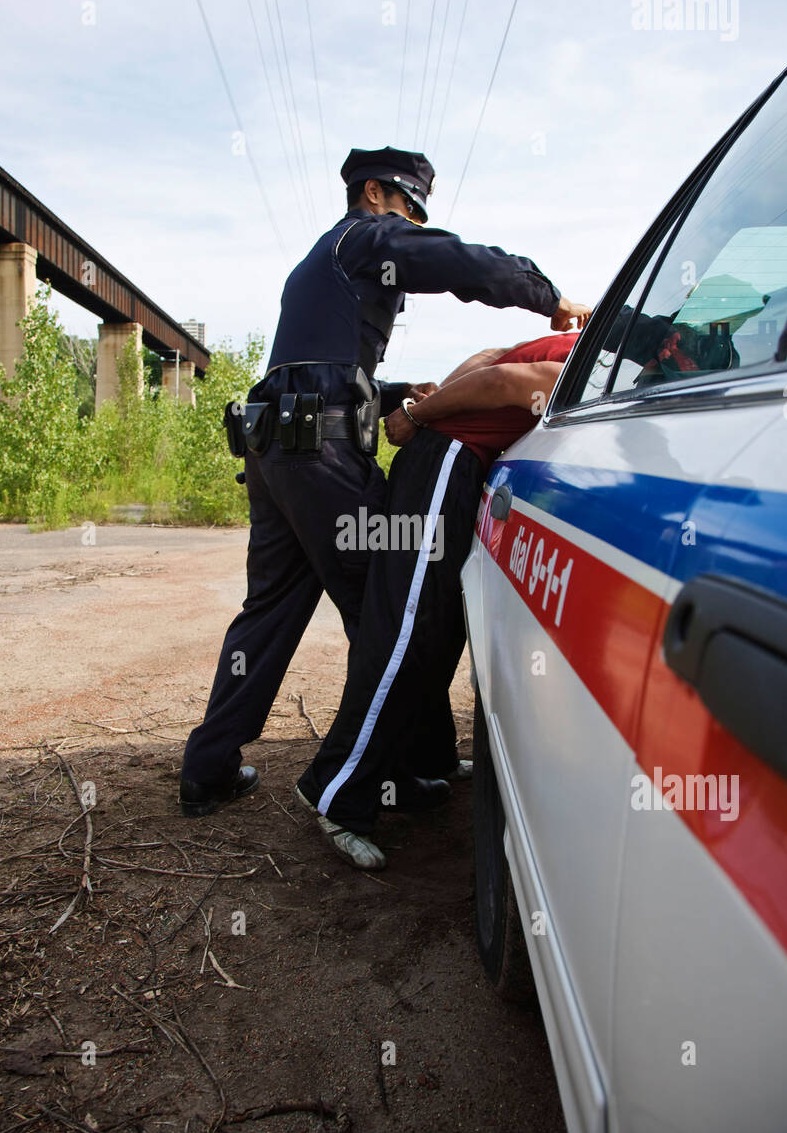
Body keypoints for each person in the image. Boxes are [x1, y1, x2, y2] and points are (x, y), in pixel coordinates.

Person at [179, 144, 589, 819]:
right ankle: (406, 763)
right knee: (398, 601)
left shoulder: (323, 263)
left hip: (276, 449)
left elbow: (314, 365)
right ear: (374, 194)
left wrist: (393, 389)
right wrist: (545, 296)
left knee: (270, 612)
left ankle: (209, 767)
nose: (413, 228)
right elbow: (457, 261)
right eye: (408, 211)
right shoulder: (363, 238)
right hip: (320, 456)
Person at [294, 330, 586, 870]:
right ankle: (334, 791)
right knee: (407, 627)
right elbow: (500, 378)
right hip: (445, 461)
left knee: (438, 627)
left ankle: (407, 766)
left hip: (450, 462)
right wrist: (421, 413)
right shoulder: (585, 358)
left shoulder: (567, 340)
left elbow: (489, 357)